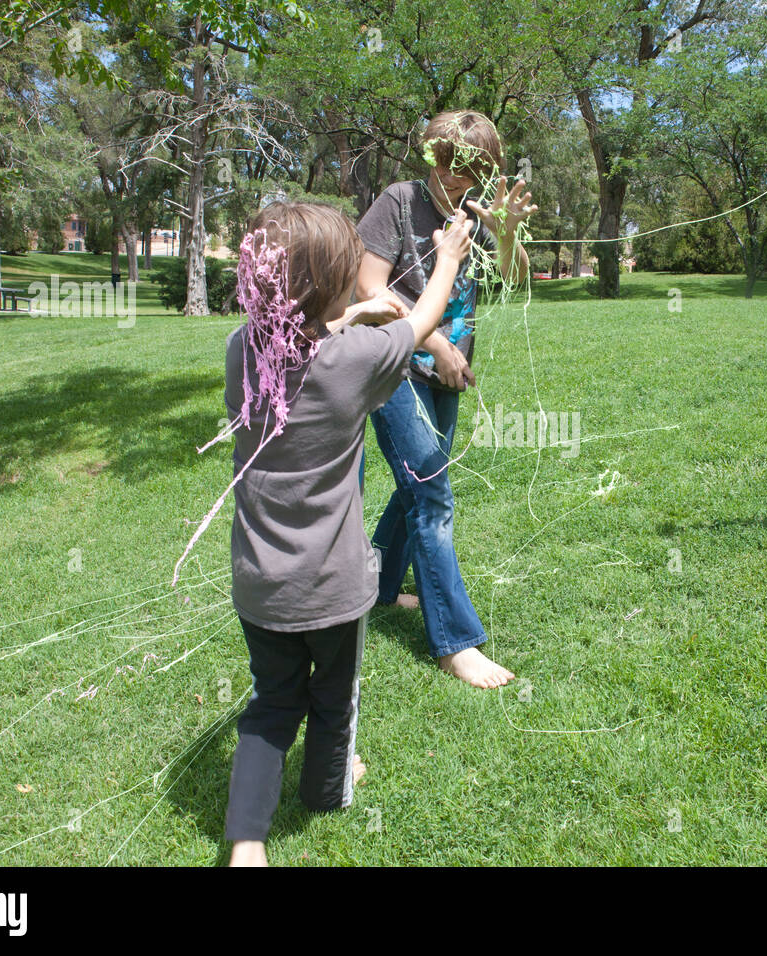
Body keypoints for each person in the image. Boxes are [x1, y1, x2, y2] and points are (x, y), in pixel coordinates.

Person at [223, 201, 473, 866]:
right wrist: (446, 259)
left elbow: (306, 337)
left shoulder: (240, 352)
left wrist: (352, 314)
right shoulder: (357, 362)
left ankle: (246, 845)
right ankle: (328, 791)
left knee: (272, 704)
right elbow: (421, 322)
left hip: (258, 583)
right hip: (330, 588)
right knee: (335, 699)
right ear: (334, 284)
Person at [355, 110, 537, 687]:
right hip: (393, 366)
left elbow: (511, 273)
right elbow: (368, 286)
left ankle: (378, 589)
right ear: (431, 156)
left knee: (417, 486)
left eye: (473, 168)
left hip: (445, 376)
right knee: (432, 495)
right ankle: (455, 642)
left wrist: (506, 236)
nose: (458, 177)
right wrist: (435, 342)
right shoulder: (399, 202)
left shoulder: (473, 215)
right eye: (449, 162)